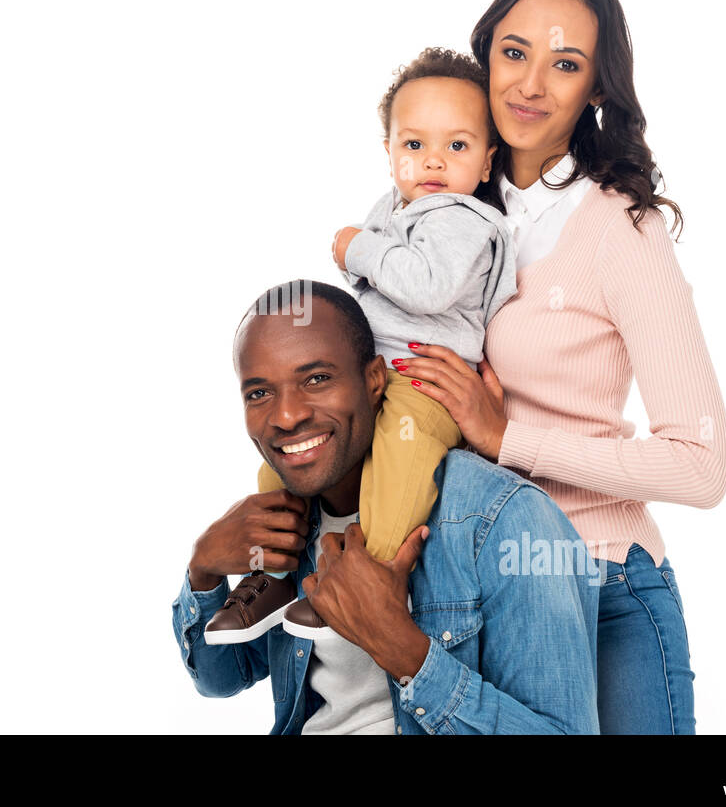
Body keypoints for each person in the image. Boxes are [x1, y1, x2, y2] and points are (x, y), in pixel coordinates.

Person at [400, 0, 726, 734]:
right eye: (514, 54)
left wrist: (508, 438)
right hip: (474, 588)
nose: (531, 84)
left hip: (604, 577)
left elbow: (702, 463)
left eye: (567, 64)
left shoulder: (621, 227)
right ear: (484, 58)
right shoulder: (446, 198)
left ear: (597, 91)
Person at [172, 280, 600, 734]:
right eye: (259, 393)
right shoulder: (287, 524)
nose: (286, 416)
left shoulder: (504, 520)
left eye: (316, 379)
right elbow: (222, 677)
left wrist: (402, 649)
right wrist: (203, 572)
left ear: (375, 380)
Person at [202, 49, 516, 644]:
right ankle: (272, 572)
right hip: (374, 373)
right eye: (414, 145)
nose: (432, 162)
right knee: (289, 462)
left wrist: (355, 250)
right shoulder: (396, 208)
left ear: (485, 161)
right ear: (390, 152)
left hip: (423, 384)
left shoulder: (462, 216)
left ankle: (366, 574)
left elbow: (428, 286)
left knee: (400, 462)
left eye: (457, 146)